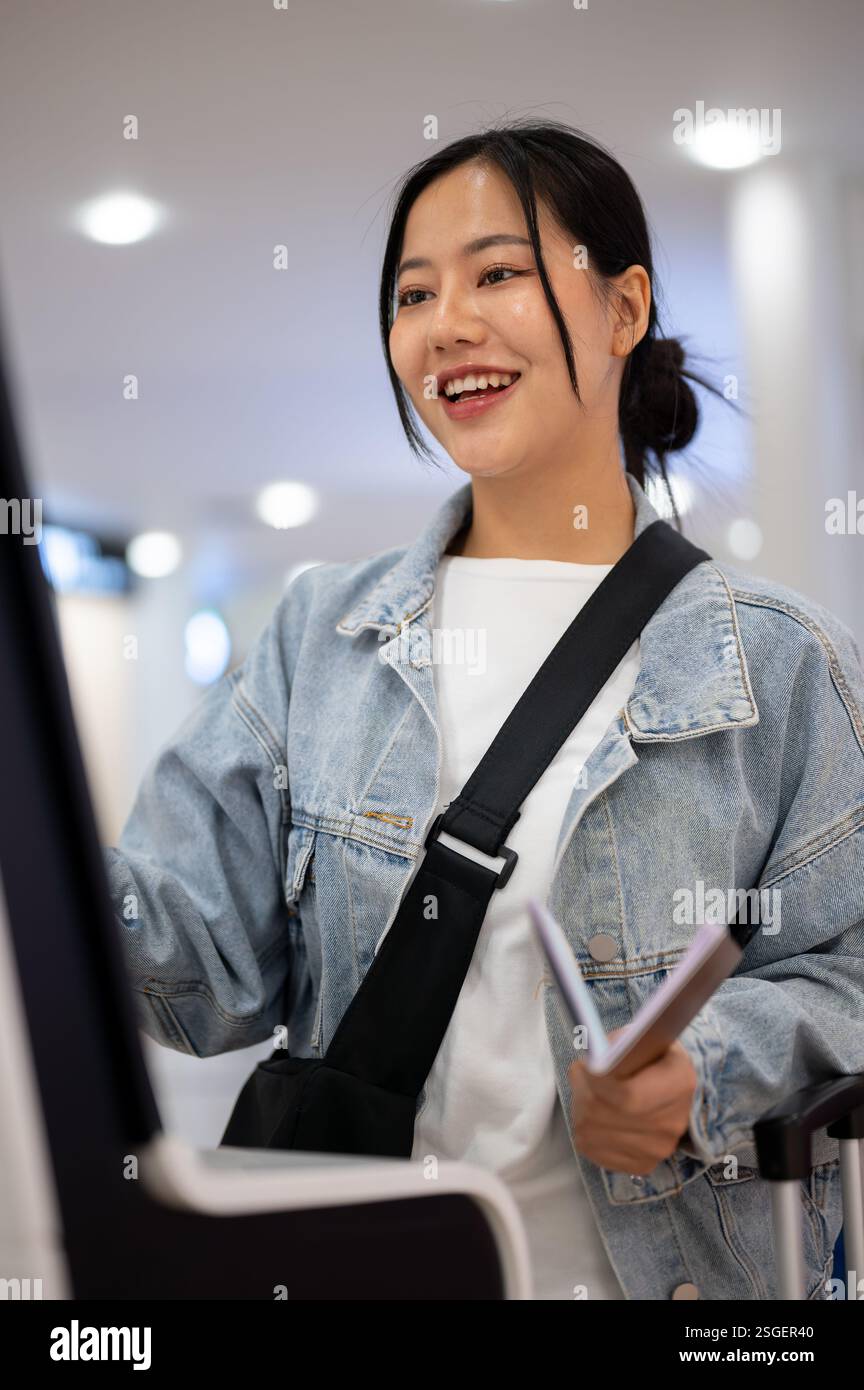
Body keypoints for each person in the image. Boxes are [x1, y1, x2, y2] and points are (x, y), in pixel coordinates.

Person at [105, 119, 864, 1301]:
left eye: (498, 273)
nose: (445, 324)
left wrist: (703, 1071)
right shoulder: (323, 638)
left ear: (622, 312)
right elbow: (194, 975)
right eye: (413, 293)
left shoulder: (779, 662)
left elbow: (853, 974)